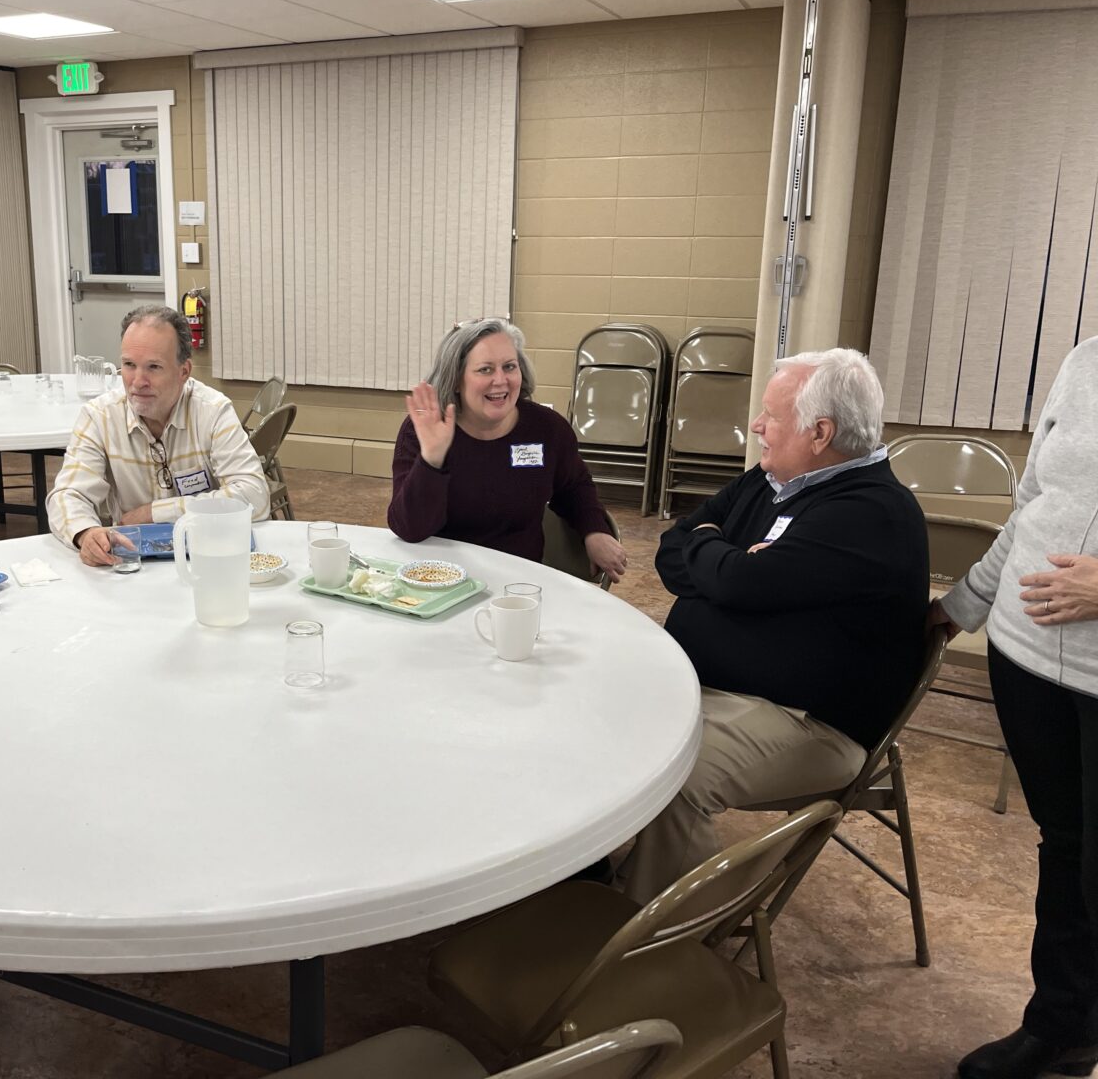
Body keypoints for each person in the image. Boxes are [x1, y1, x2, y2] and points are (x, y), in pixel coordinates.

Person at [617, 347, 928, 902]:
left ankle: (666, 940)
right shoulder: (772, 479)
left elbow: (735, 581)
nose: (755, 426)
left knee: (674, 778)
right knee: (606, 719)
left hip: (809, 723)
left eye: (771, 416)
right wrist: (728, 562)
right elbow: (672, 551)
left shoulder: (871, 512)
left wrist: (714, 550)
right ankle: (594, 875)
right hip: (727, 689)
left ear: (820, 432)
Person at [934, 337, 1098, 1079]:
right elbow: (1033, 501)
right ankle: (1061, 1025)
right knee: (1065, 847)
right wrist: (963, 604)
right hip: (1025, 657)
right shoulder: (1084, 360)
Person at [387, 318, 625, 577]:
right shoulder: (424, 428)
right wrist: (432, 459)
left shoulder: (546, 429)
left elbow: (573, 486)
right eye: (485, 370)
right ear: (456, 379)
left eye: (509, 367)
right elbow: (409, 529)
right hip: (438, 578)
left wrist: (594, 530)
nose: (501, 380)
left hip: (517, 582)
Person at [48, 305, 269, 566]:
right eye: (129, 365)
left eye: (153, 367)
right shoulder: (99, 416)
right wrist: (86, 533)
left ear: (183, 371)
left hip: (206, 558)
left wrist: (154, 513)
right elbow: (67, 495)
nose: (137, 381)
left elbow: (254, 495)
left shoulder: (212, 411)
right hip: (130, 561)